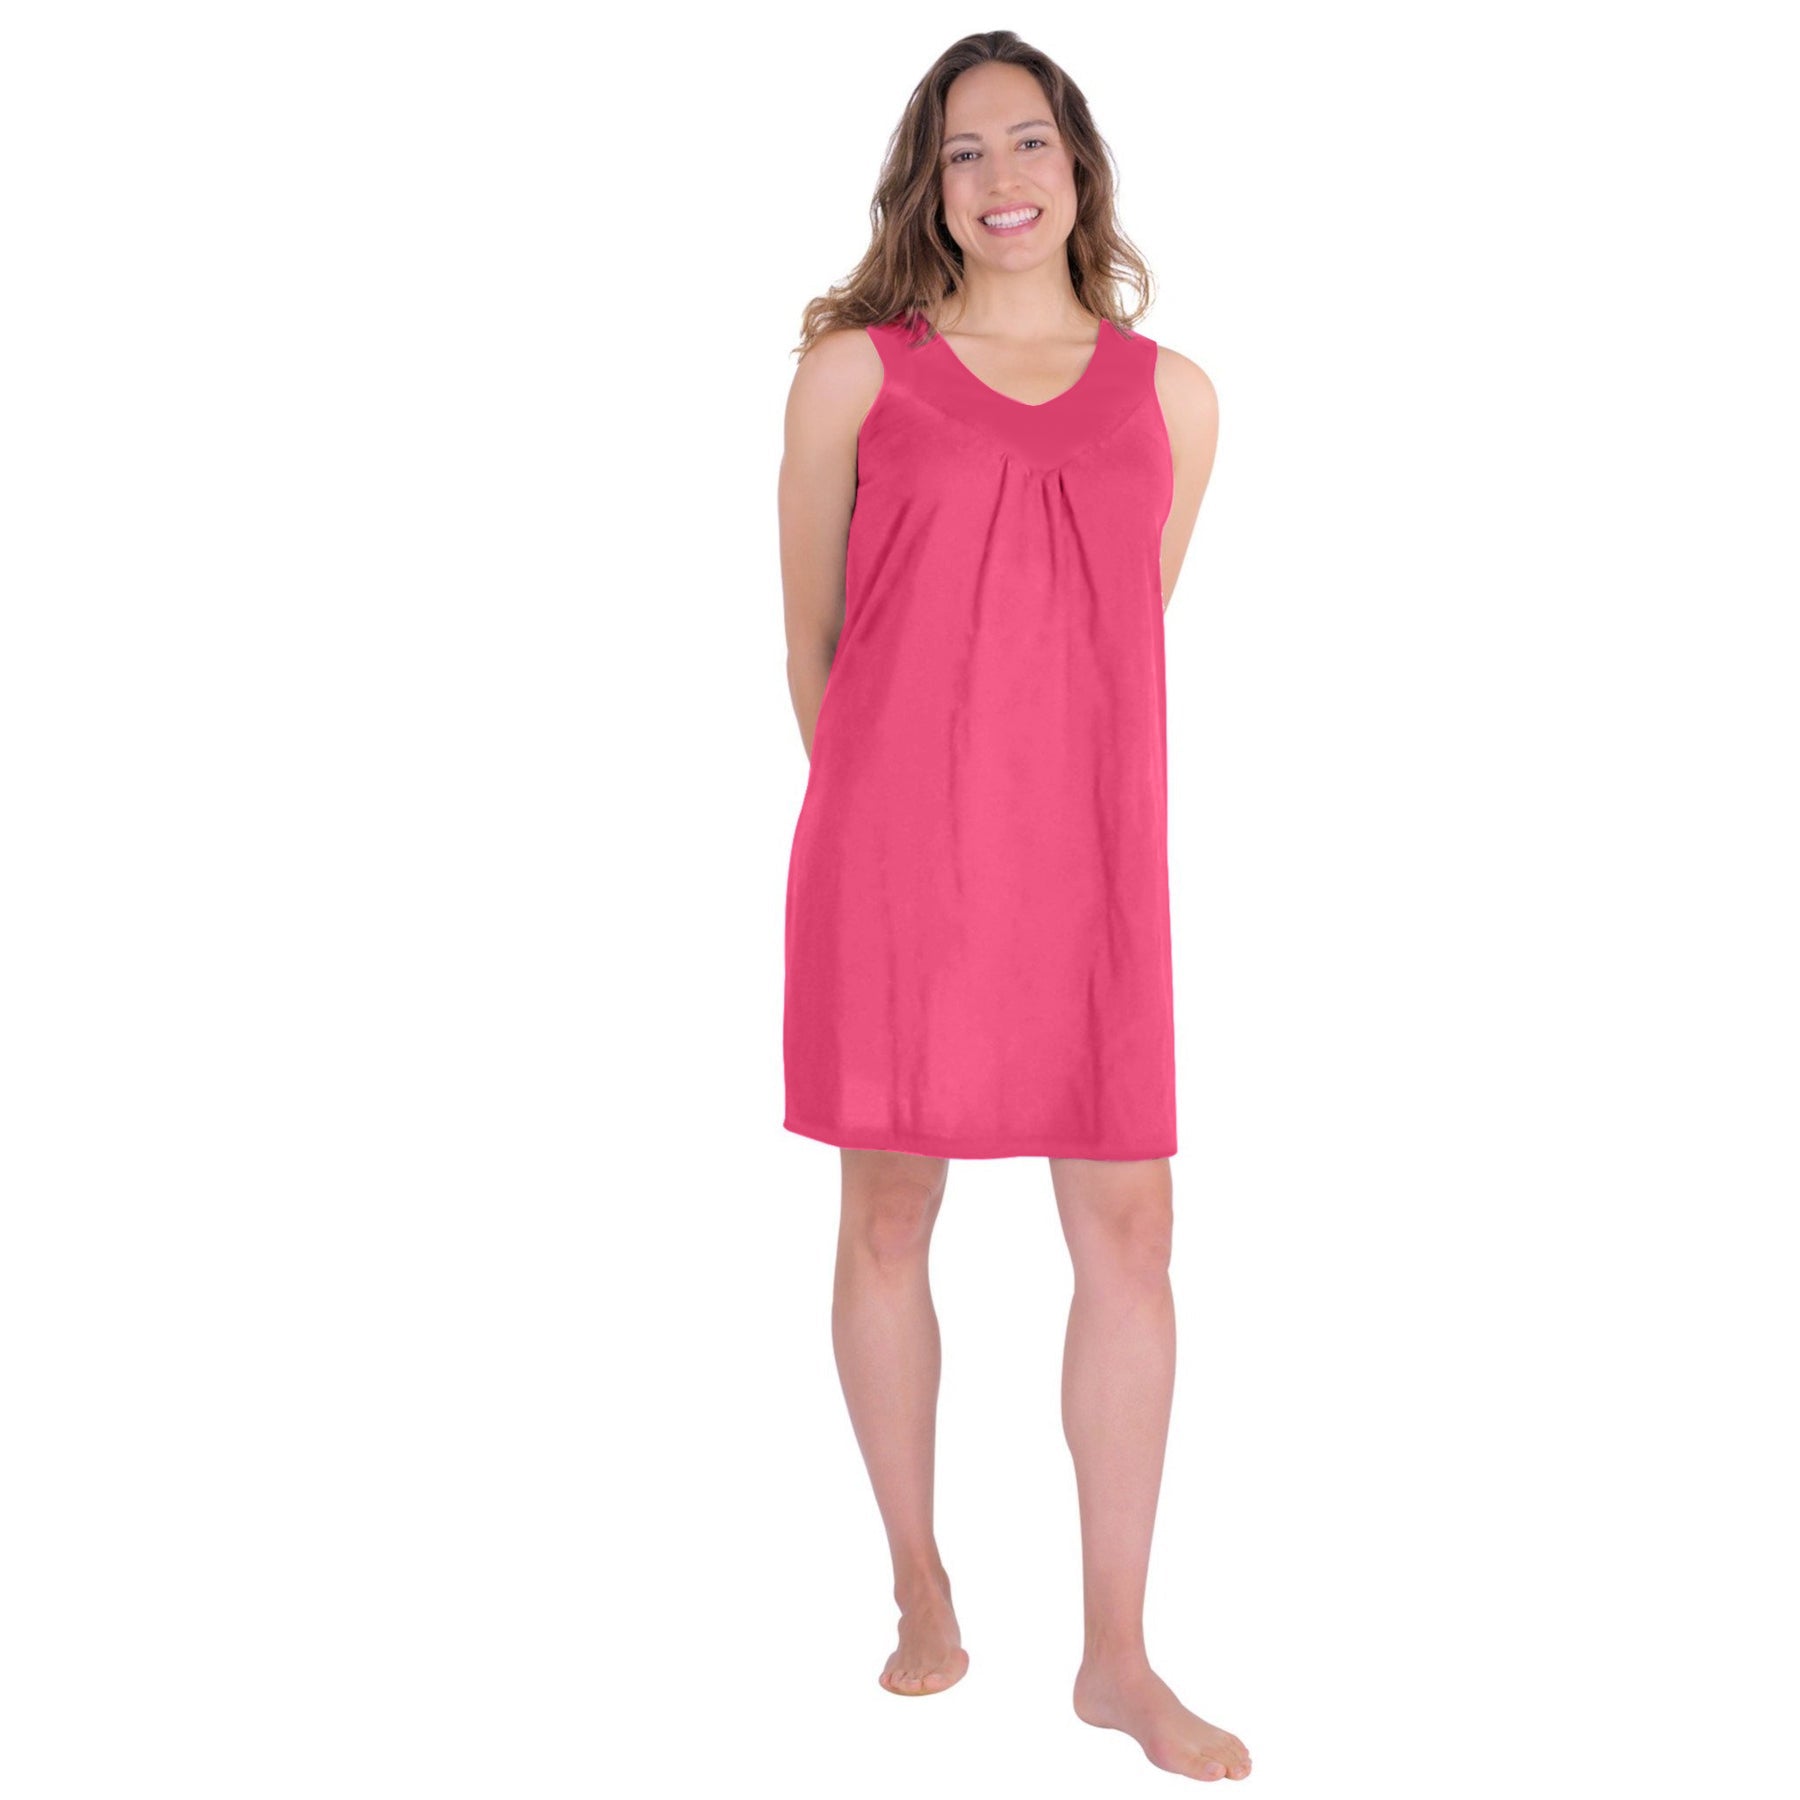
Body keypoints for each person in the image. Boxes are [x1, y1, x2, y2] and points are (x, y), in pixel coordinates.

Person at [777, 31, 1242, 1784]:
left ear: (1079, 164)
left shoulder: (1173, 397)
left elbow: (1116, 632)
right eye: (963, 152)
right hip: (896, 855)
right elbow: (817, 646)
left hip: (1092, 864)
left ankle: (1117, 1656)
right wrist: (899, 825)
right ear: (929, 185)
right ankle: (919, 1578)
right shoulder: (853, 377)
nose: (999, 177)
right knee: (890, 1207)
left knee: (1132, 1230)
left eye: (1026, 140)